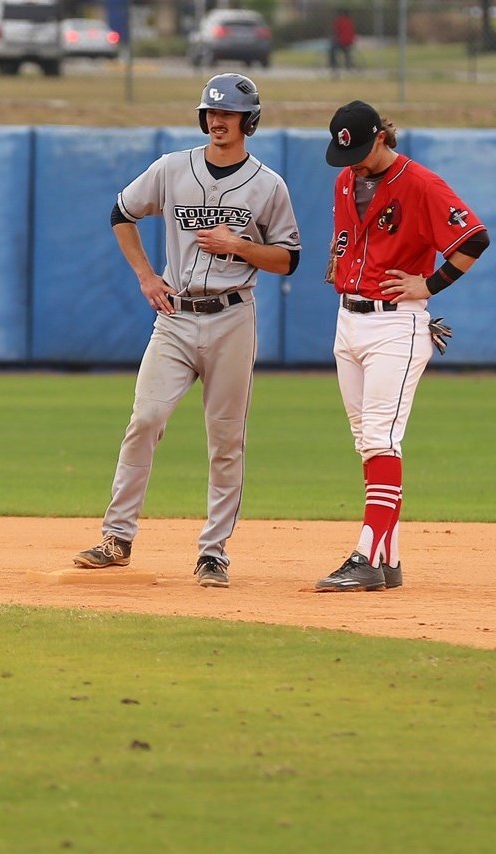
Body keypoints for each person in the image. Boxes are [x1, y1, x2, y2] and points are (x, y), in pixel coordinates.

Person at [72, 73, 302, 589]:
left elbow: (288, 259)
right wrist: (145, 276)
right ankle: (116, 538)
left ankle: (214, 552)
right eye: (211, 113)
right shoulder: (173, 169)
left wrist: (239, 246)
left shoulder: (268, 185)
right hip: (174, 317)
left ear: (250, 121)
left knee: (225, 438)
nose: (218, 121)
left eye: (229, 114)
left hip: (232, 317)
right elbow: (121, 212)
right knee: (145, 419)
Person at [312, 100, 488, 593]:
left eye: (363, 150)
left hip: (396, 327)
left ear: (383, 137)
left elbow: (474, 237)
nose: (354, 162)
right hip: (348, 321)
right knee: (364, 439)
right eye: (347, 154)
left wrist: (429, 285)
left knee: (379, 439)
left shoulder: (422, 183)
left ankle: (367, 556)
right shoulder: (345, 181)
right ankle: (388, 561)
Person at [329, 9, 357, 75]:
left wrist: (333, 38)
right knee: (347, 52)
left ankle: (334, 65)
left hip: (341, 41)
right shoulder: (350, 22)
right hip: (349, 42)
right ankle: (348, 65)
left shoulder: (339, 21)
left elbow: (335, 31)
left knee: (332, 50)